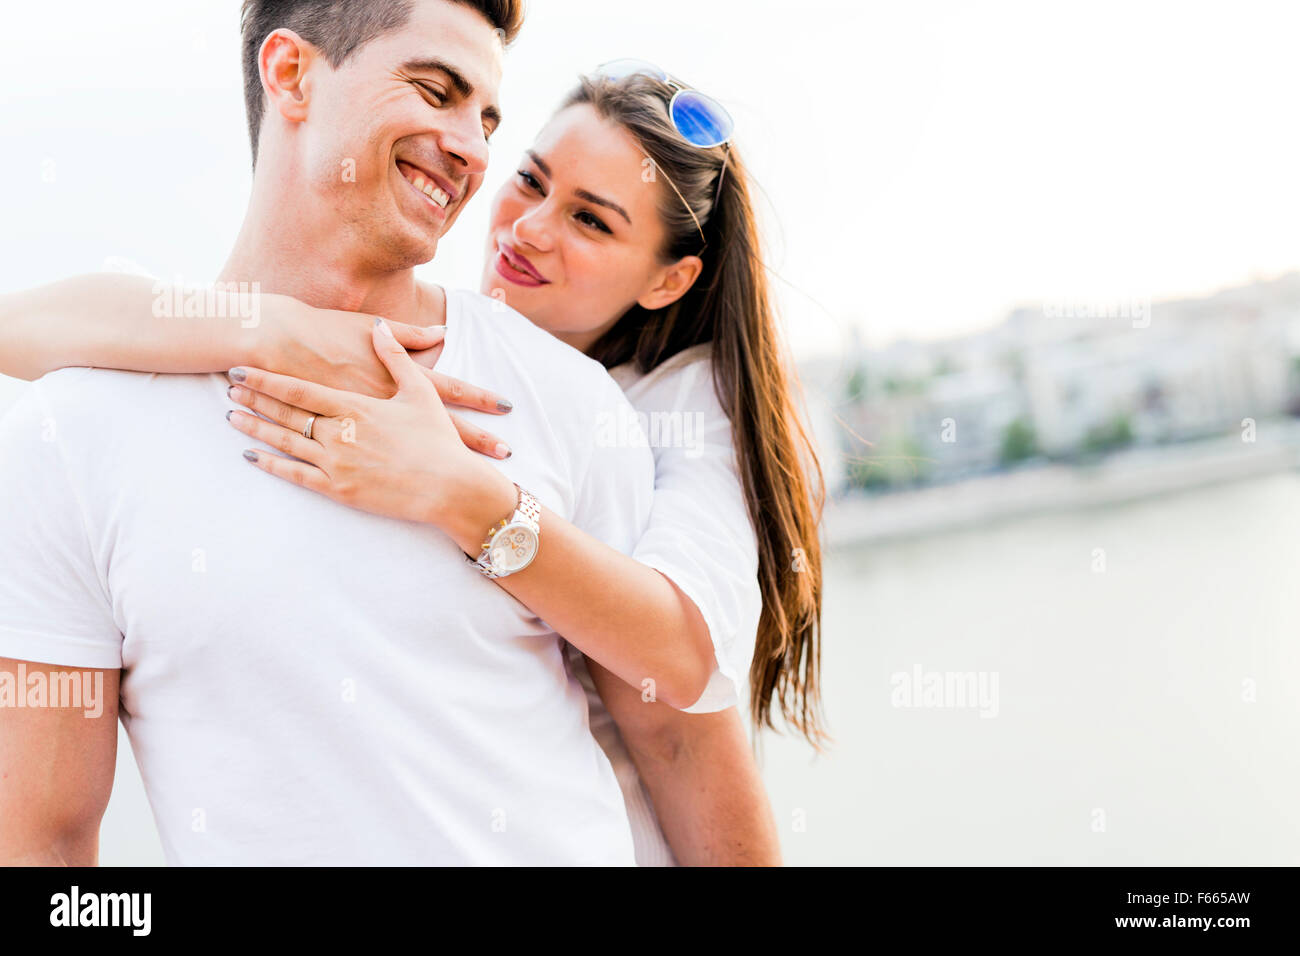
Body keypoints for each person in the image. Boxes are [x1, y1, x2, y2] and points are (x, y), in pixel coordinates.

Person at [0, 16, 826, 867]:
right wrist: (278, 332)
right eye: (437, 93)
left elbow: (680, 723)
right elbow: (43, 843)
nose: (474, 151)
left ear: (669, 279)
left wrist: (461, 491)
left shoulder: (617, 412)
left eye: (488, 120)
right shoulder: (69, 437)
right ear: (290, 73)